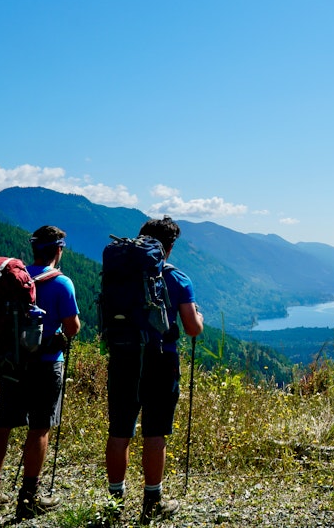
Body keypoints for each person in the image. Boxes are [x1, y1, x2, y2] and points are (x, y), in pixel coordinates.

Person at [104, 216, 204, 524]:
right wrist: (198, 315)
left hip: (122, 355)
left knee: (120, 428)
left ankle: (114, 499)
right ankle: (152, 500)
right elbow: (192, 328)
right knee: (155, 430)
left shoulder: (118, 272)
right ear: (170, 246)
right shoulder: (176, 278)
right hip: (160, 359)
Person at [0, 225, 81, 517]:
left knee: (3, 424)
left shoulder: (13, 280)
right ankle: (29, 497)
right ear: (58, 250)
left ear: (34, 249)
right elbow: (72, 328)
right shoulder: (62, 283)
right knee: (39, 428)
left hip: (12, 361)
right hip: (48, 362)